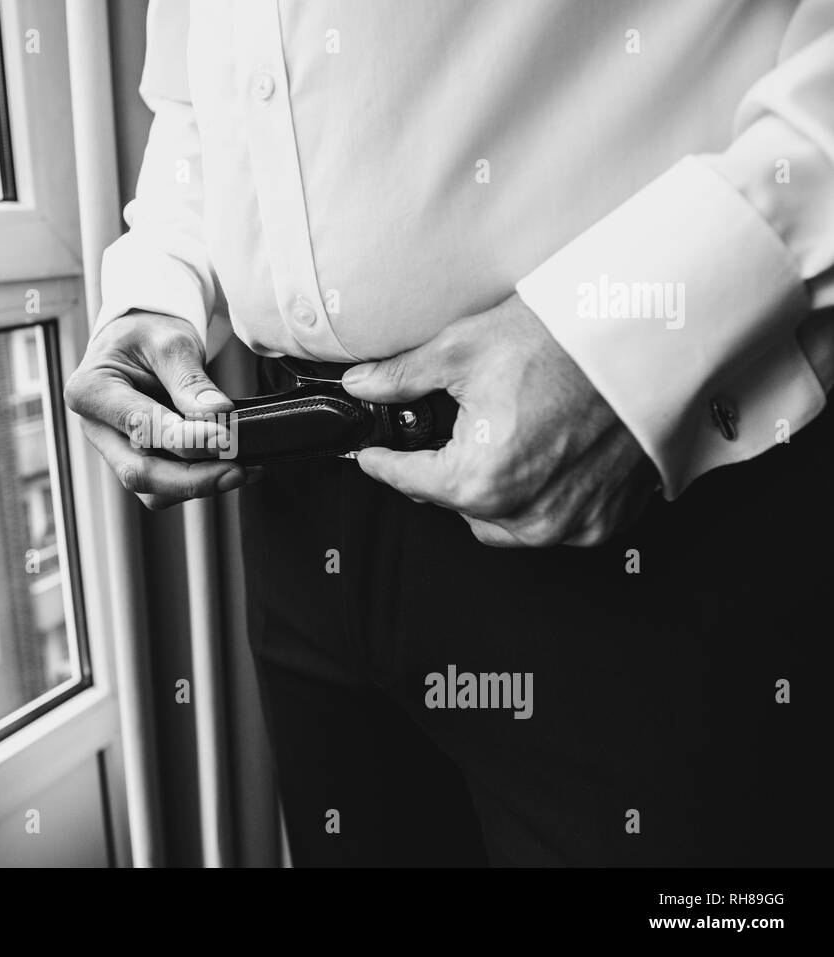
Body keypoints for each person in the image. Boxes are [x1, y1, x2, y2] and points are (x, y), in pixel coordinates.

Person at [64, 0, 834, 865]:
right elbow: (198, 104)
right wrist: (156, 283)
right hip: (296, 513)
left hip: (648, 488)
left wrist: (632, 351)